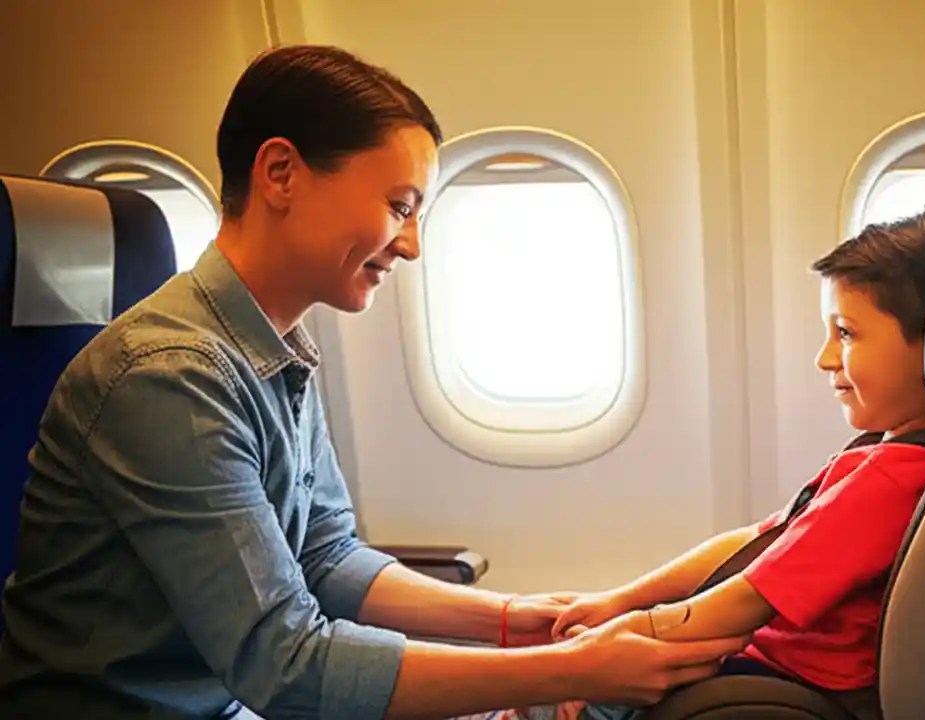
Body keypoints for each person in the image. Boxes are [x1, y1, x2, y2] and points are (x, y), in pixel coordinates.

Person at [0, 45, 746, 719]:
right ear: (281, 174)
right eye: (399, 207)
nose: (413, 245)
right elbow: (285, 665)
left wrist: (517, 620)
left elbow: (326, 556)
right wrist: (564, 670)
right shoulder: (168, 377)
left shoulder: (271, 350)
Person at [518, 203, 925, 719]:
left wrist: (604, 648)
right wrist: (621, 600)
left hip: (786, 677)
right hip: (768, 658)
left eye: (846, 333)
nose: (824, 358)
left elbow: (748, 598)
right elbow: (758, 542)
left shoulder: (892, 480)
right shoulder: (890, 454)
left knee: (564, 699)